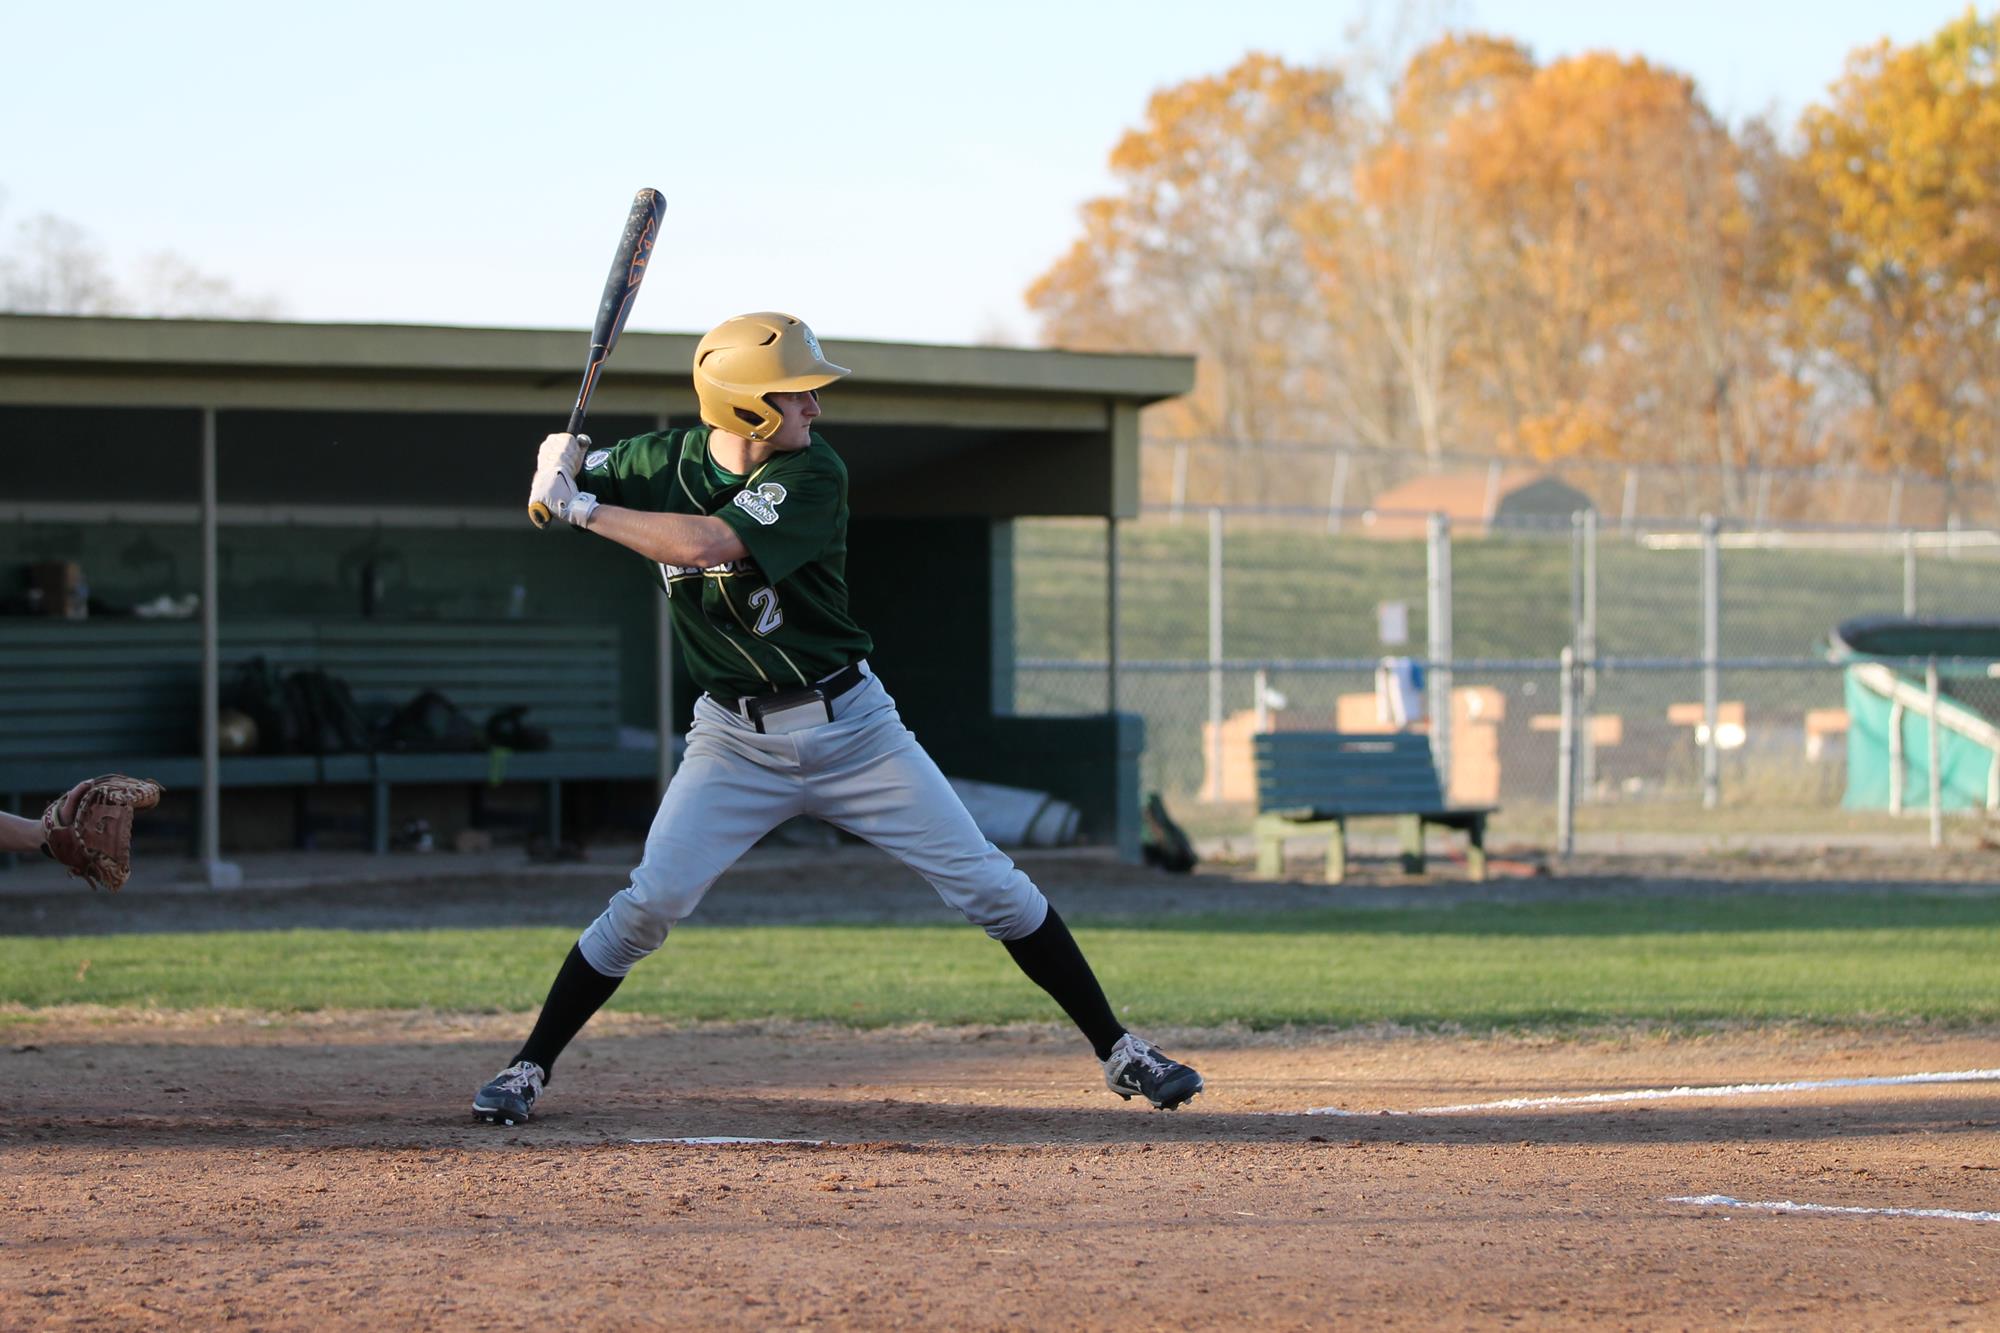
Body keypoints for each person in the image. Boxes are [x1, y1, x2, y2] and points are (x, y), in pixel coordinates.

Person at [473, 311, 1203, 1125]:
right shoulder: (664, 460)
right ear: (747, 407)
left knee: (992, 886)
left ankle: (1121, 1050)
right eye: (798, 395)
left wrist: (578, 508)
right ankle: (528, 1066)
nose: (816, 409)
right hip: (733, 742)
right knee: (648, 904)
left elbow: (709, 543)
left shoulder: (815, 474)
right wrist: (560, 459)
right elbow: (591, 465)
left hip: (855, 729)